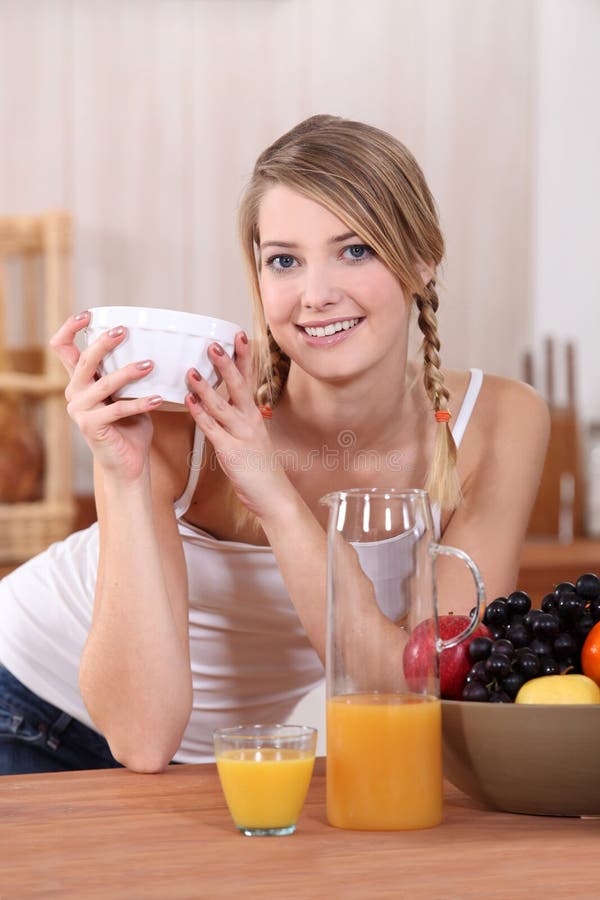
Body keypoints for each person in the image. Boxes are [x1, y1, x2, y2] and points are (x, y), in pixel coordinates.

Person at [0, 114, 549, 774]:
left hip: (204, 769)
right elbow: (143, 738)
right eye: (284, 260)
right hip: (24, 695)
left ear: (422, 259)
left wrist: (278, 500)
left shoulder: (499, 420)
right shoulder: (190, 403)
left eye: (355, 250)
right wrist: (119, 474)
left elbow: (423, 691)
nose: (316, 296)